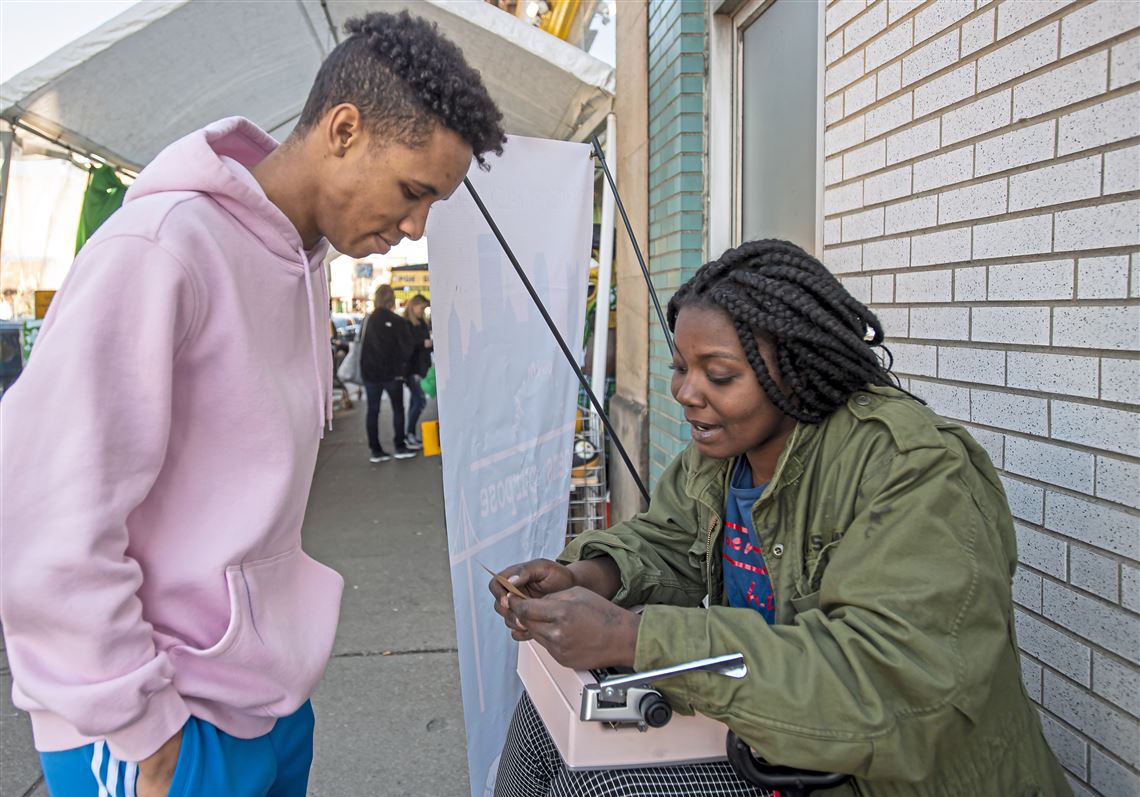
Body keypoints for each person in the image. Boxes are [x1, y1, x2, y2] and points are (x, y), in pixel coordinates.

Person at [0, 11, 503, 797]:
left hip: (263, 704)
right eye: (413, 191)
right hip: (156, 721)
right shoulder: (163, 247)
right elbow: (42, 515)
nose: (414, 227)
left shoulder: (299, 258)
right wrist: (145, 730)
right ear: (343, 129)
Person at [489, 240, 1071, 797]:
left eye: (718, 376)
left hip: (871, 778)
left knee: (602, 785)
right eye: (680, 368)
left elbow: (889, 688)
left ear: (794, 369)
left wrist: (630, 637)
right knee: (542, 730)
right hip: (773, 749)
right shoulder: (721, 455)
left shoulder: (914, 468)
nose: (687, 393)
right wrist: (589, 579)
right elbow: (671, 541)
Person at [360, 284, 417, 462]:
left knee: (373, 411)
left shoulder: (368, 320)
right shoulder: (398, 322)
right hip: (393, 375)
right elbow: (407, 349)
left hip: (370, 374)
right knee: (398, 409)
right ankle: (399, 446)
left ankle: (375, 450)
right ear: (392, 299)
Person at [403, 293, 433, 449]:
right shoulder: (407, 324)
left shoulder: (421, 322)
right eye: (422, 308)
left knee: (415, 401)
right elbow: (407, 347)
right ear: (413, 306)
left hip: (420, 369)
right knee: (419, 401)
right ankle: (409, 434)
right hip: (412, 369)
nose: (423, 311)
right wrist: (423, 343)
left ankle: (410, 434)